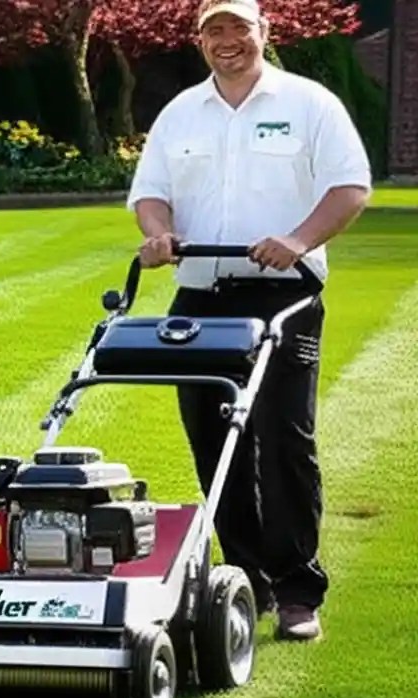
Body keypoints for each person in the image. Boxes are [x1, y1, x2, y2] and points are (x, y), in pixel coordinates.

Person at [127, 0, 372, 642]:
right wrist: (159, 234)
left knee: (283, 438)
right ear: (199, 39)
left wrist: (298, 239)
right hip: (201, 297)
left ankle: (297, 590)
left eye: (240, 27)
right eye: (215, 30)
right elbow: (150, 194)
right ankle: (245, 577)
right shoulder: (181, 113)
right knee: (214, 439)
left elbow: (350, 188)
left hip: (283, 294)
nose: (228, 40)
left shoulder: (310, 104)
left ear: (264, 31)